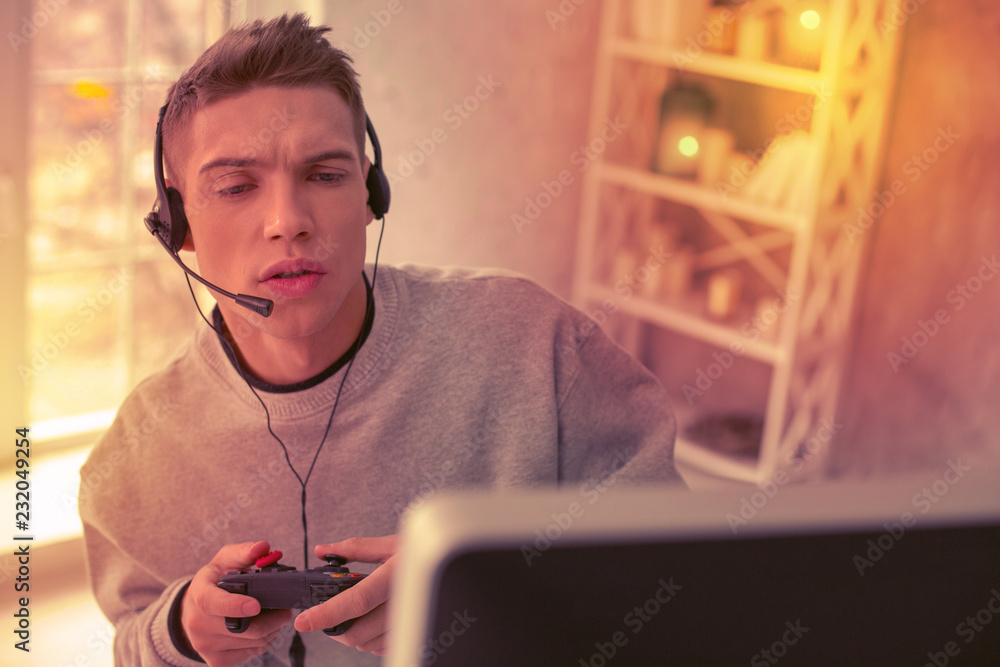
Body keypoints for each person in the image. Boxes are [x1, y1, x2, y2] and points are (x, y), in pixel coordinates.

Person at [79, 12, 684, 667]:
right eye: (235, 187)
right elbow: (132, 638)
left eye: (324, 174)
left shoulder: (538, 345)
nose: (288, 222)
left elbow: (675, 577)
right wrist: (179, 631)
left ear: (370, 191)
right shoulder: (132, 460)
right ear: (177, 222)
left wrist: (484, 595)